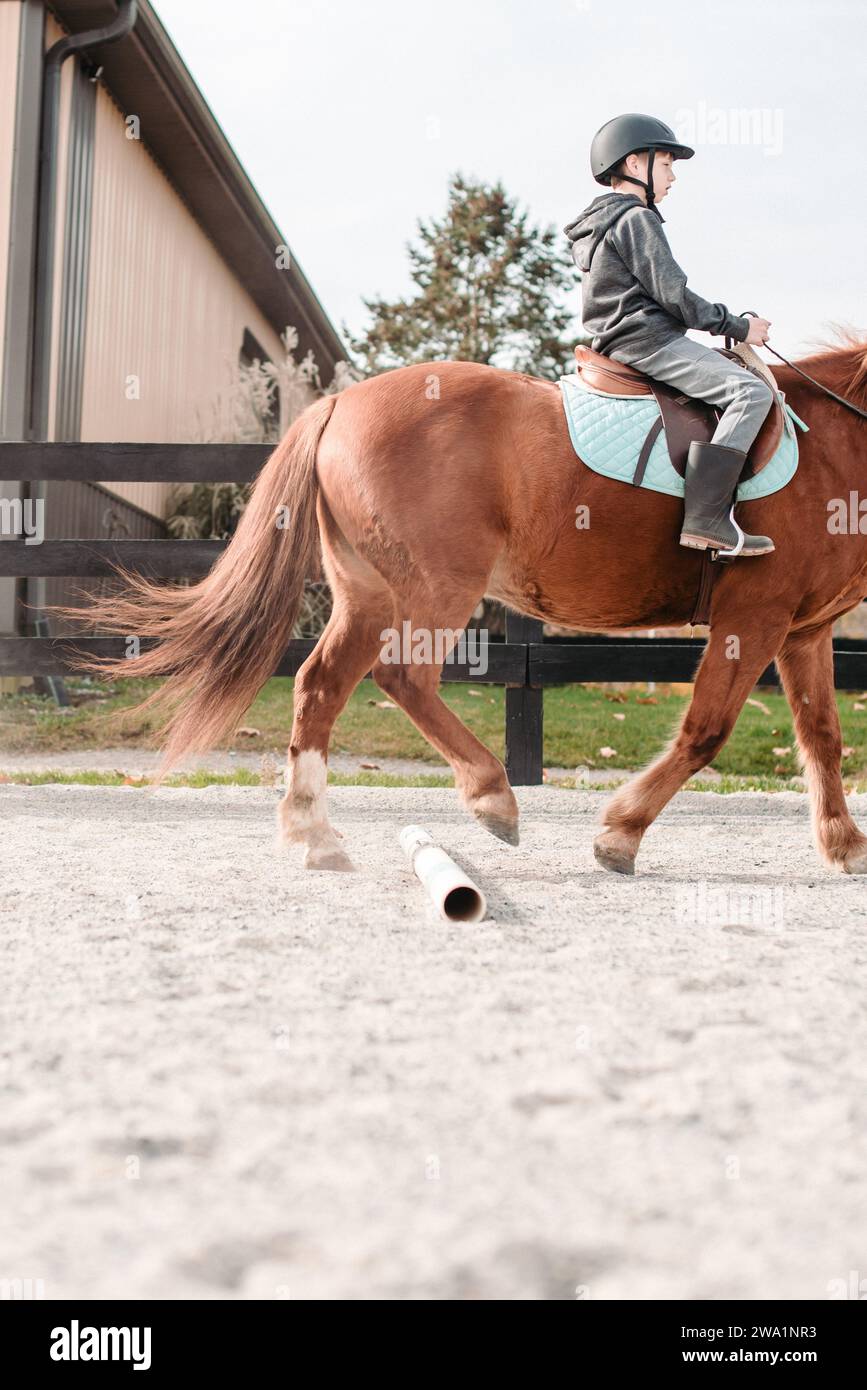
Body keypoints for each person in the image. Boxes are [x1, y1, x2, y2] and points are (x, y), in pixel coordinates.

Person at [564, 113, 776, 557]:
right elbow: (675, 296)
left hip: (621, 340)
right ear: (636, 164)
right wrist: (739, 327)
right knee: (751, 393)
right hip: (648, 341)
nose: (673, 176)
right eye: (666, 164)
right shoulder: (636, 219)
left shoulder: (600, 225)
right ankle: (707, 519)